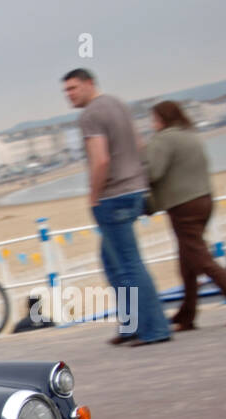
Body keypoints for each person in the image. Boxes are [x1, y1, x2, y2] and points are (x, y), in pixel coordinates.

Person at [62, 68, 170, 346]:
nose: (69, 95)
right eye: (66, 90)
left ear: (89, 84)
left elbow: (100, 161)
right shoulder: (118, 104)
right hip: (133, 191)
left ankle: (156, 329)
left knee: (129, 265)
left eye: (73, 88)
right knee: (112, 262)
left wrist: (93, 195)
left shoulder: (90, 116)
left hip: (112, 197)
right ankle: (131, 325)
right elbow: (139, 145)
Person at [146, 101, 226, 330]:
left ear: (162, 118)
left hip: (182, 206)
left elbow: (153, 172)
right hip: (204, 200)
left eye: (154, 118)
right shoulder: (191, 135)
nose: (152, 123)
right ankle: (187, 316)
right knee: (187, 260)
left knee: (202, 260)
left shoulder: (164, 139)